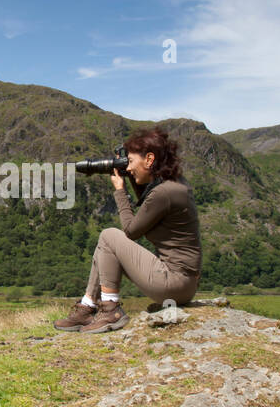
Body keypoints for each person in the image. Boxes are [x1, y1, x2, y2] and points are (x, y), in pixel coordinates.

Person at [54, 127, 203, 334]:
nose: (129, 168)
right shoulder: (174, 185)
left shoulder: (164, 193)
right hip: (183, 284)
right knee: (105, 248)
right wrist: (131, 174)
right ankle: (88, 307)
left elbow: (131, 230)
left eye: (131, 162)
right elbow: (147, 200)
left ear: (149, 160)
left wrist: (120, 190)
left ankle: (110, 310)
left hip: (173, 283)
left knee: (109, 235)